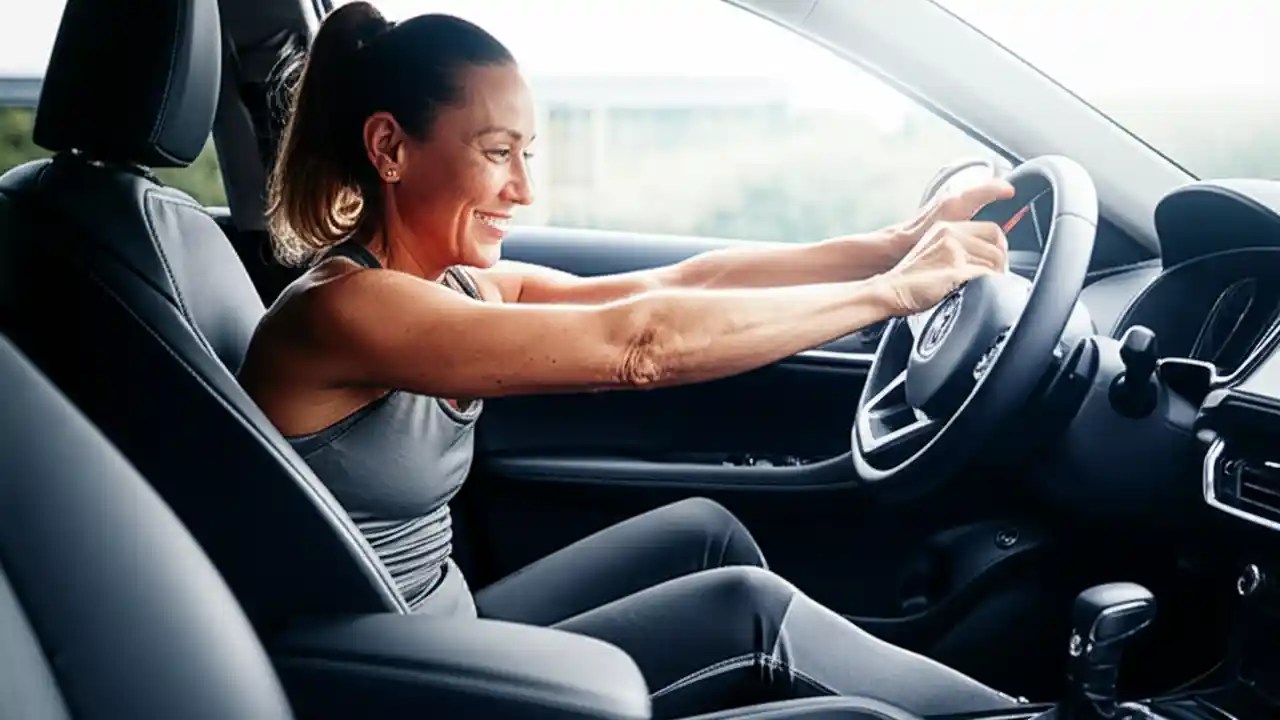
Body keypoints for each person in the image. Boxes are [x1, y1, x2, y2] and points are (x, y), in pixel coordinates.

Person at [238, 4, 1019, 718]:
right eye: (497, 152)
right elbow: (640, 346)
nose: (523, 188)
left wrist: (894, 246)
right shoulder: (345, 308)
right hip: (388, 673)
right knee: (752, 614)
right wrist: (894, 293)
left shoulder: (463, 285)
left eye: (528, 153)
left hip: (447, 623)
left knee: (705, 535)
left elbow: (682, 282)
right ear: (389, 147)